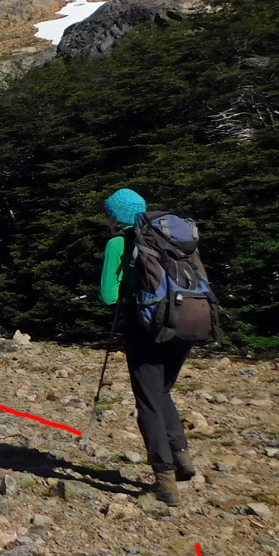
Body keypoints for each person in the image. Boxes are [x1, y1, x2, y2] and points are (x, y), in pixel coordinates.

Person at [99, 187, 195, 507]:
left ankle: (164, 478)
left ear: (115, 216)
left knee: (149, 400)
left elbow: (108, 296)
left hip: (148, 328)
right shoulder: (171, 235)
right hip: (186, 322)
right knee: (163, 391)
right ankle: (181, 456)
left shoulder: (117, 243)